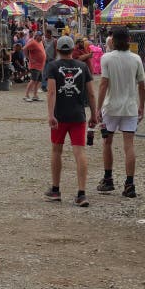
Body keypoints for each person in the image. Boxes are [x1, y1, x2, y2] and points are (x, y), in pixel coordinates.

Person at [44, 36, 98, 206]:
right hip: (78, 115)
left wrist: (51, 115)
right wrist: (94, 114)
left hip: (59, 116)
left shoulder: (53, 66)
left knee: (56, 151)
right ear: (73, 49)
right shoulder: (82, 67)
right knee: (79, 152)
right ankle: (81, 193)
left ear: (57, 49)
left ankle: (55, 190)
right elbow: (91, 93)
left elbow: (51, 92)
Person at [96, 26, 145, 198]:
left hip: (111, 107)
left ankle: (108, 178)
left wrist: (98, 108)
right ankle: (130, 183)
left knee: (107, 142)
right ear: (128, 40)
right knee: (129, 145)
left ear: (113, 40)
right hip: (130, 107)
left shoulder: (107, 58)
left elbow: (103, 84)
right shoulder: (136, 59)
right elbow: (142, 86)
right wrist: (142, 106)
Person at [23, 31, 46, 102]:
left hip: (40, 65)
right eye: (40, 36)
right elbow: (24, 48)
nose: (41, 37)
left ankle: (35, 95)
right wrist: (29, 58)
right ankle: (26, 95)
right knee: (33, 80)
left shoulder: (40, 42)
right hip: (34, 65)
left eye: (42, 36)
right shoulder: (33, 42)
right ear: (36, 36)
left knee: (38, 81)